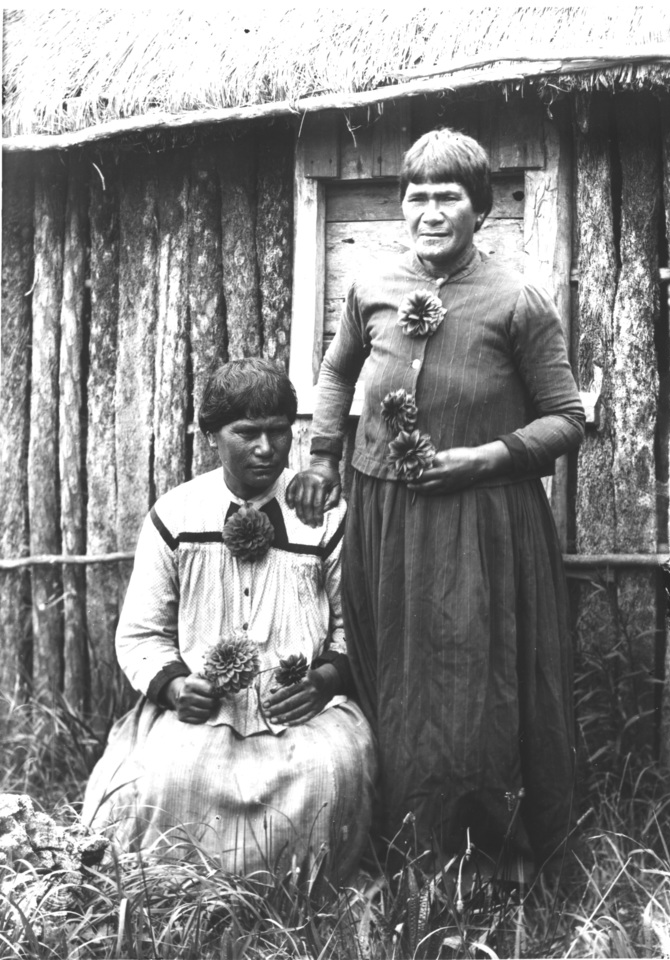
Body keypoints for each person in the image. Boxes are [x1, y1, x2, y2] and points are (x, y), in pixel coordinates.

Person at [286, 128, 586, 874]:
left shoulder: (517, 302)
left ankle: (489, 856)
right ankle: (399, 846)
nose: (429, 210)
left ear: (479, 209)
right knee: (393, 673)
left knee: (470, 687)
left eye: (447, 195)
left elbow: (567, 419)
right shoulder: (371, 286)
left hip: (478, 524)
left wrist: (484, 458)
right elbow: (333, 376)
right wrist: (323, 457)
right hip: (384, 515)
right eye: (416, 195)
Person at [83, 359, 376, 886]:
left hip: (299, 707)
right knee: (172, 776)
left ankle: (303, 896)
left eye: (279, 432)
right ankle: (179, 895)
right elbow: (141, 634)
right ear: (211, 435)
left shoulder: (325, 519)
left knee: (327, 773)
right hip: (204, 708)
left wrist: (324, 680)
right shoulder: (176, 516)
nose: (266, 448)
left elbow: (352, 628)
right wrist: (174, 688)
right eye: (247, 433)